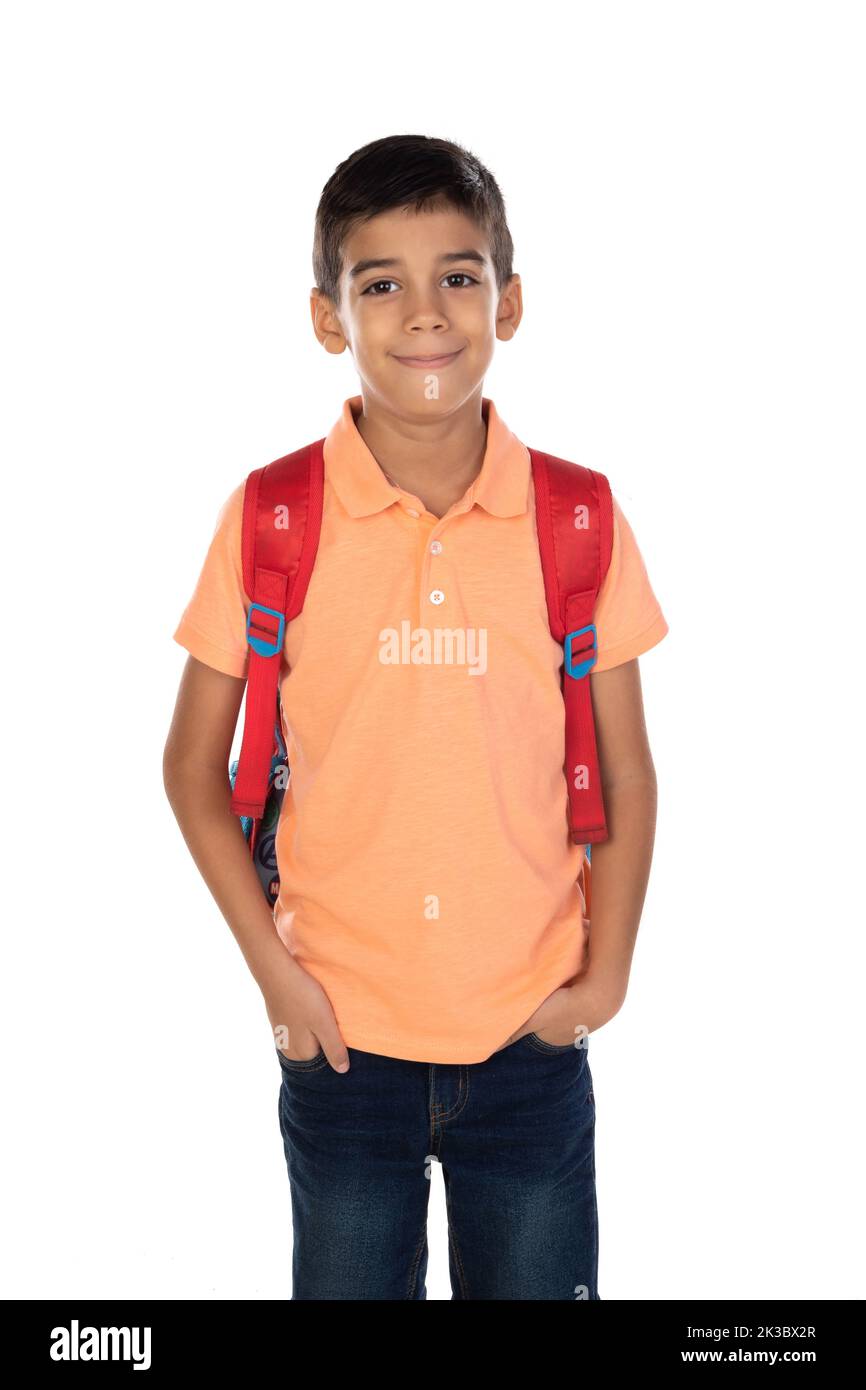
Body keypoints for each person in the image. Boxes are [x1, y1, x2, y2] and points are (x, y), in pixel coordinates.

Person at [163, 133, 668, 1300]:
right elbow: (192, 768)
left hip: (528, 1042)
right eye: (378, 282)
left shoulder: (577, 518)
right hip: (341, 1043)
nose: (424, 311)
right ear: (328, 318)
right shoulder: (272, 515)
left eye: (458, 274)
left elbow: (630, 773)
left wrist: (606, 979)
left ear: (510, 299)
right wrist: (277, 984)